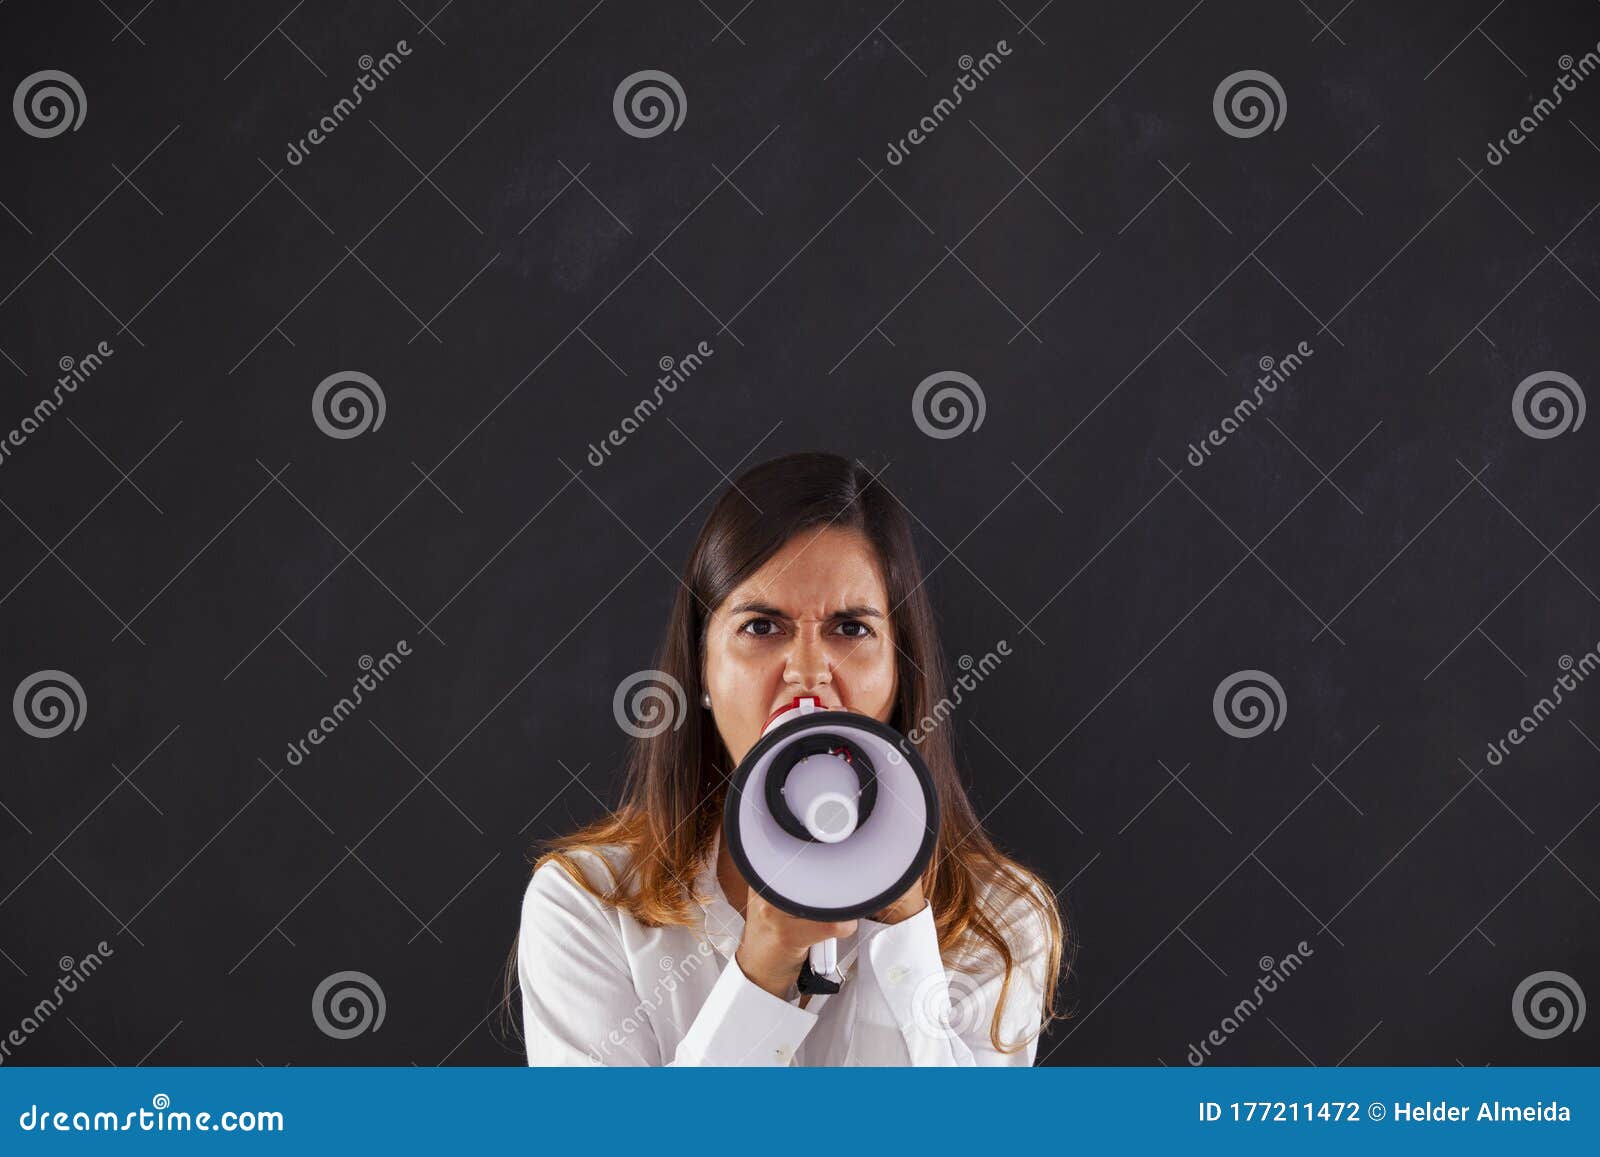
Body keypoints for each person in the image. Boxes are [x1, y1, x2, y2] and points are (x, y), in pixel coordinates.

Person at [511, 451, 1069, 1064]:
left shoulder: (1000, 920)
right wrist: (762, 970)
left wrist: (902, 936)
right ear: (701, 668)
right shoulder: (588, 904)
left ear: (899, 671)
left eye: (851, 629)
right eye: (761, 627)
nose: (807, 673)